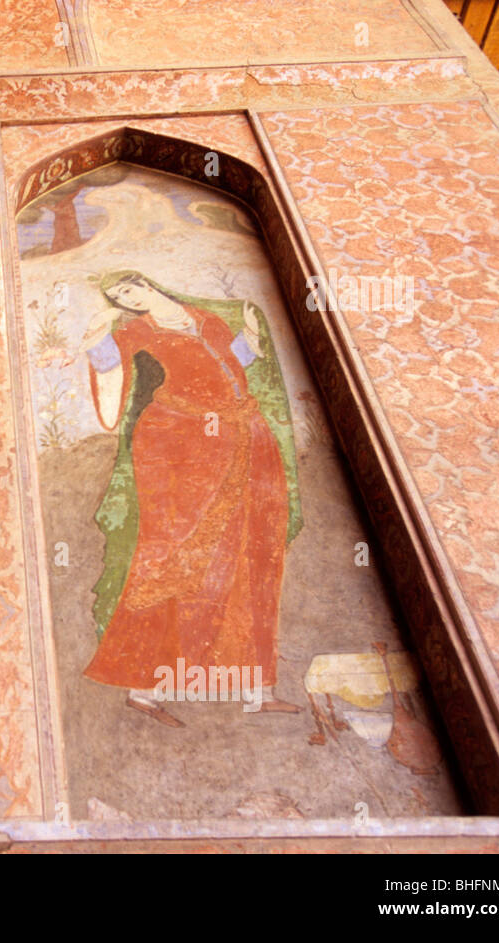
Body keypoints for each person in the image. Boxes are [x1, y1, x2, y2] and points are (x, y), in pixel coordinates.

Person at [78, 271, 302, 725]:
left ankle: (258, 687)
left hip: (240, 434)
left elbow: (230, 360)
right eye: (119, 296)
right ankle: (144, 688)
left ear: (147, 283)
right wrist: (96, 337)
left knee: (250, 551)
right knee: (170, 556)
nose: (128, 299)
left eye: (129, 289)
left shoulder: (202, 318)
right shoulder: (139, 329)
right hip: (179, 441)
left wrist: (252, 339)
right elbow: (107, 363)